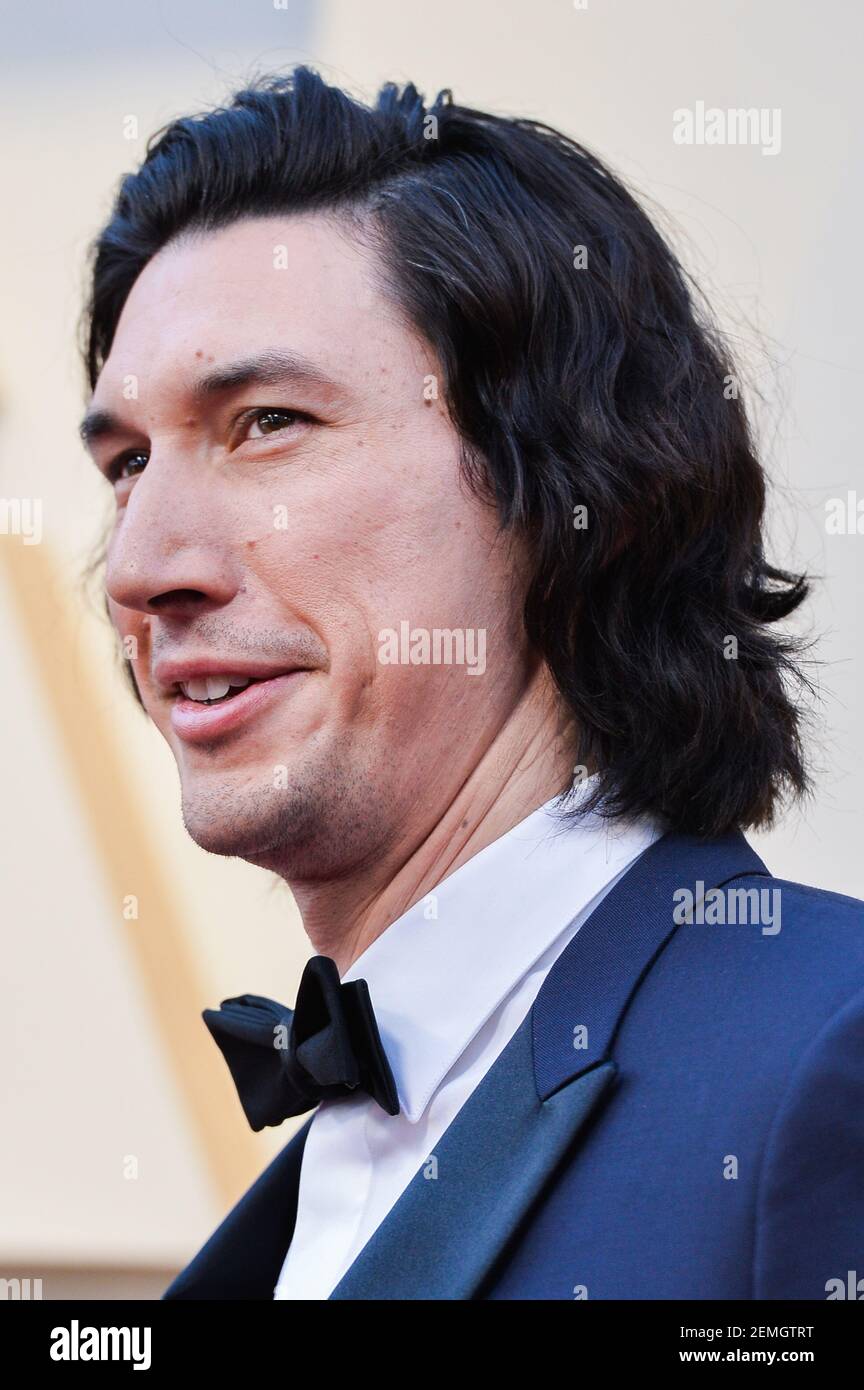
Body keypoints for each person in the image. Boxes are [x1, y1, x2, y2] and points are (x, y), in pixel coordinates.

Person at [79, 66, 864, 1300]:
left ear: (561, 489)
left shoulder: (832, 1051)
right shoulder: (307, 1188)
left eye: (268, 422)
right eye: (126, 461)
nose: (137, 568)